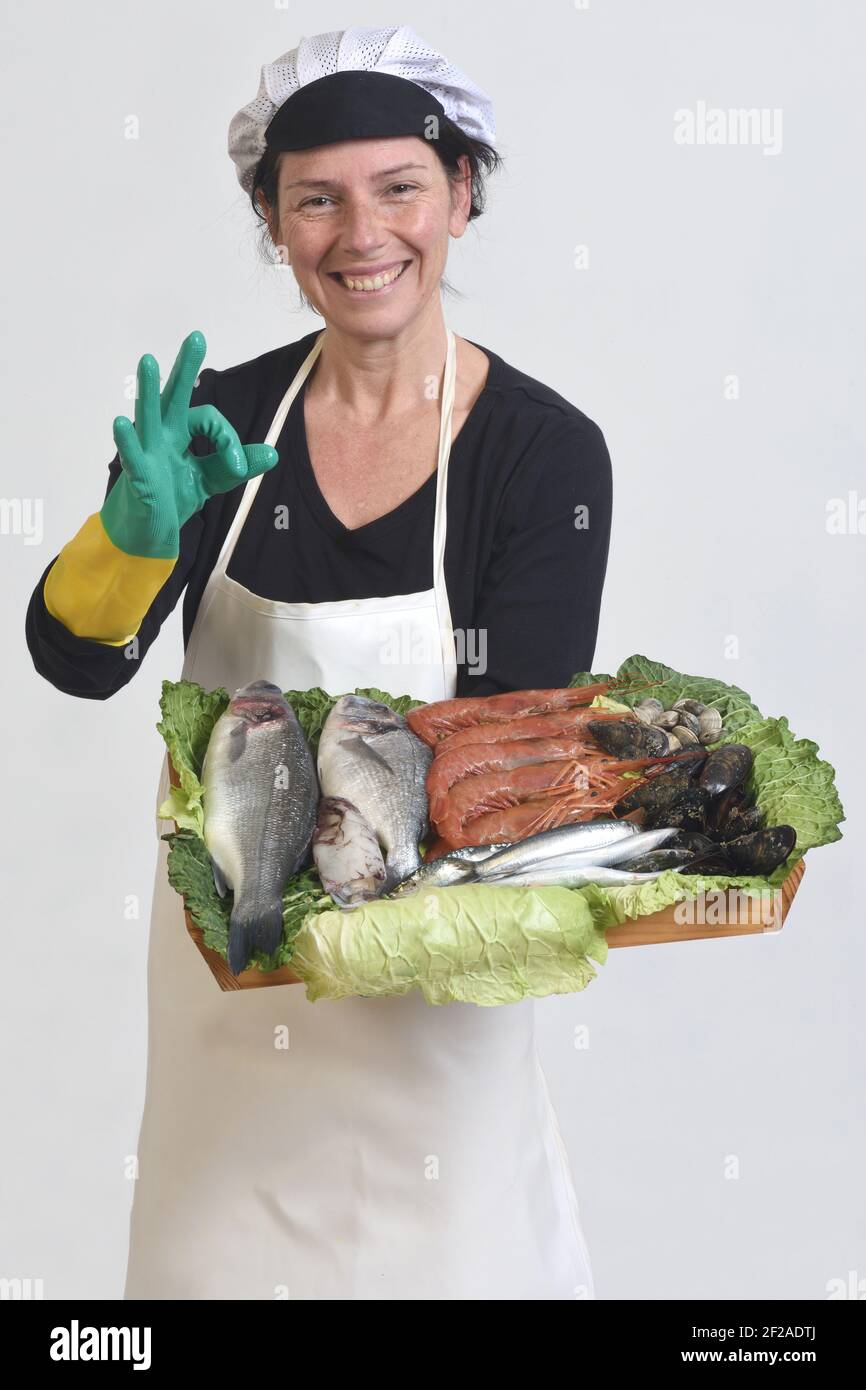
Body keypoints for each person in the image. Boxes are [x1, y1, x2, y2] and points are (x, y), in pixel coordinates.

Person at [25, 25, 612, 1300]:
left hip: (433, 1036)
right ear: (272, 220)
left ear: (460, 193)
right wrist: (127, 538)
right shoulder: (219, 425)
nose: (362, 234)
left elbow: (500, 761)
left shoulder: (540, 456)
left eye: (399, 187)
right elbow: (76, 660)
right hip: (231, 1046)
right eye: (316, 200)